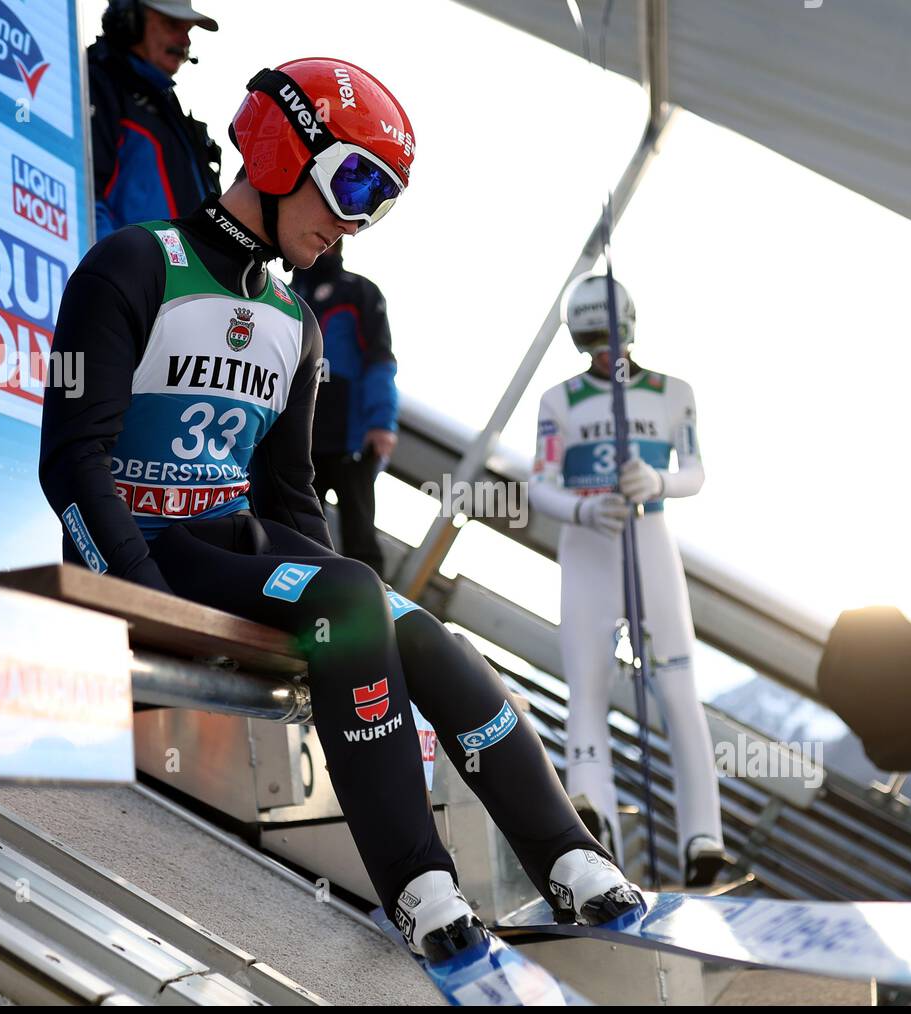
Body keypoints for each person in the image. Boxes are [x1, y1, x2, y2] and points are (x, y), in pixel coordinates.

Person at [39, 59, 645, 960]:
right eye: (353, 182)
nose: (356, 220)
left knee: (423, 632)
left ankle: (569, 859)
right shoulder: (133, 263)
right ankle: (419, 889)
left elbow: (286, 496)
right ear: (285, 152)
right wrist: (138, 594)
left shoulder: (294, 319)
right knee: (356, 601)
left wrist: (342, 602)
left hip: (230, 544)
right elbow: (69, 459)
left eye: (382, 201)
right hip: (146, 553)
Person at [527, 274, 729, 887]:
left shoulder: (674, 393)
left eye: (608, 338)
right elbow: (538, 482)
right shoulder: (558, 400)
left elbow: (695, 470)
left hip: (649, 544)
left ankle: (704, 837)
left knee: (677, 685)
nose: (602, 354)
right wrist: (582, 508)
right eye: (589, 341)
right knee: (585, 684)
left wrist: (660, 482)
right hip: (588, 547)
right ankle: (593, 818)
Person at [291, 239, 398, 578]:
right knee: (294, 534)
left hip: (351, 440)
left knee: (360, 537)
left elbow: (381, 360)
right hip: (296, 439)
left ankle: (374, 616)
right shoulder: (286, 292)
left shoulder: (360, 292)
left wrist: (382, 423)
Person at [87, 0, 222, 239]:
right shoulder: (95, 82)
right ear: (128, 19)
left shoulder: (168, 107)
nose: (185, 41)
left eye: (188, 30)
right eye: (172, 25)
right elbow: (84, 196)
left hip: (174, 275)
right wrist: (114, 269)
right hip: (122, 272)